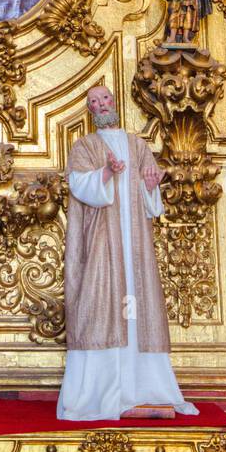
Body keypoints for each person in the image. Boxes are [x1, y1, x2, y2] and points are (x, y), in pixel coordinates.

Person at [57, 84, 198, 420]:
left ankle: (144, 390)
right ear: (90, 110)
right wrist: (105, 173)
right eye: (94, 102)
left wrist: (150, 186)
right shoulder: (85, 146)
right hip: (102, 244)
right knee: (101, 309)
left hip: (134, 246)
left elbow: (150, 202)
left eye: (105, 98)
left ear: (113, 102)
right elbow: (79, 184)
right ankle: (99, 394)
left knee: (137, 313)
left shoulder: (138, 146)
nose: (101, 104)